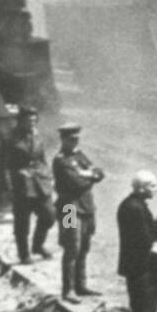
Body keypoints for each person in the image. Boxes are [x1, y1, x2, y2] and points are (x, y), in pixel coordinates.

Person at [52, 123, 105, 302]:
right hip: (68, 208)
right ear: (63, 140)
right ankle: (68, 290)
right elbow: (75, 183)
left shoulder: (79, 156)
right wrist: (89, 176)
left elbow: (100, 173)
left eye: (76, 139)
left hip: (86, 206)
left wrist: (88, 174)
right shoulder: (60, 160)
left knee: (84, 246)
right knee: (71, 247)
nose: (74, 142)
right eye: (71, 139)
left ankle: (81, 285)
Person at [2, 104, 54, 263]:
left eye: (34, 120)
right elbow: (1, 165)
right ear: (20, 121)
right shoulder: (10, 138)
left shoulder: (37, 136)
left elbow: (42, 159)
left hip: (40, 182)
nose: (32, 122)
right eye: (28, 120)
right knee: (22, 222)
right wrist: (8, 187)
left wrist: (48, 176)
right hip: (21, 185)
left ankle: (37, 245)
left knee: (49, 215)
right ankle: (23, 255)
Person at [117, 170, 157, 312]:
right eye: (152, 186)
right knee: (145, 308)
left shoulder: (132, 204)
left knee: (144, 307)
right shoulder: (136, 208)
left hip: (134, 265)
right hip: (140, 267)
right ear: (141, 188)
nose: (156, 189)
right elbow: (145, 239)